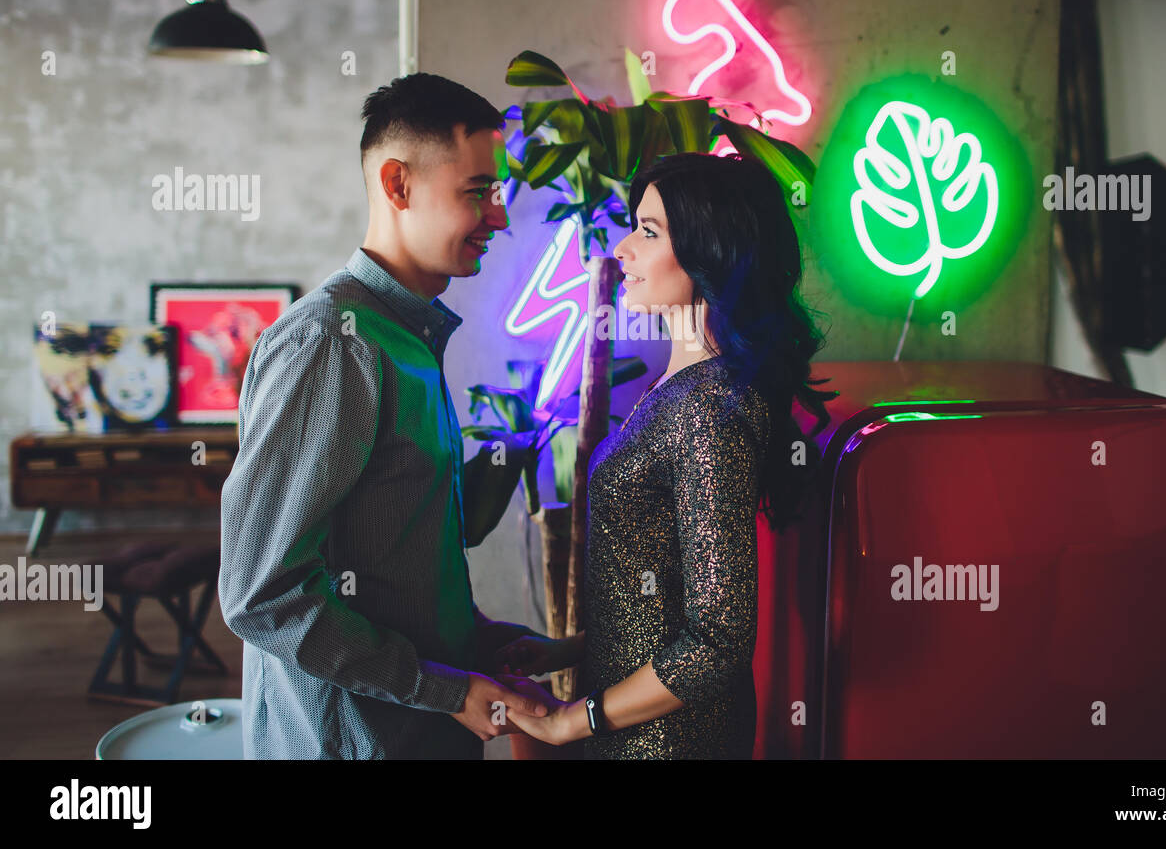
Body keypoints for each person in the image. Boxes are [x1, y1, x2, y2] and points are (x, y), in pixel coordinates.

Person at [219, 73, 557, 759]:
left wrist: (478, 645)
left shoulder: (404, 339)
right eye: (476, 193)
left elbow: (388, 558)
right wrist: (446, 689)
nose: (497, 217)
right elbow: (261, 593)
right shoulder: (331, 344)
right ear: (398, 185)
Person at [501, 152, 835, 758]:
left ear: (712, 250)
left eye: (648, 231)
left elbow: (716, 641)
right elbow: (657, 602)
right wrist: (569, 649)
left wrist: (570, 721)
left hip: (671, 744)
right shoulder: (684, 386)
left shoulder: (712, 407)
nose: (623, 248)